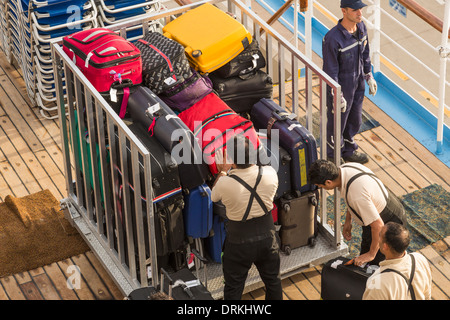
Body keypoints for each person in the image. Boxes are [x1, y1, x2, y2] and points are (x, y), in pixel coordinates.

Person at [211, 135, 282, 300]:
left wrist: (222, 171)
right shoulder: (270, 173)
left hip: (238, 242)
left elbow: (214, 197)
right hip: (267, 237)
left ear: (232, 161)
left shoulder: (224, 183)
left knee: (233, 288)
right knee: (273, 282)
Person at [308, 159, 407, 266]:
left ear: (328, 182)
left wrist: (371, 254)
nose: (320, 188)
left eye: (320, 186)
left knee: (378, 263)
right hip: (376, 212)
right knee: (364, 254)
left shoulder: (357, 196)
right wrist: (348, 221)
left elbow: (378, 226)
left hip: (389, 221)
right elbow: (350, 196)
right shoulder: (346, 169)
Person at [322, 0, 377, 164]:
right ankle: (332, 158)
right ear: (344, 11)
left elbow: (365, 54)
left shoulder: (361, 28)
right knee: (337, 123)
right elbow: (330, 71)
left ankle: (348, 150)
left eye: (360, 9)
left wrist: (369, 75)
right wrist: (337, 95)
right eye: (355, 10)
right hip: (341, 87)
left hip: (358, 82)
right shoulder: (332, 39)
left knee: (355, 119)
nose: (360, 13)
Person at [363, 222, 432, 300]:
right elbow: (427, 294)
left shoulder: (378, 283)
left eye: (380, 235)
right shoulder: (419, 259)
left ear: (385, 246)